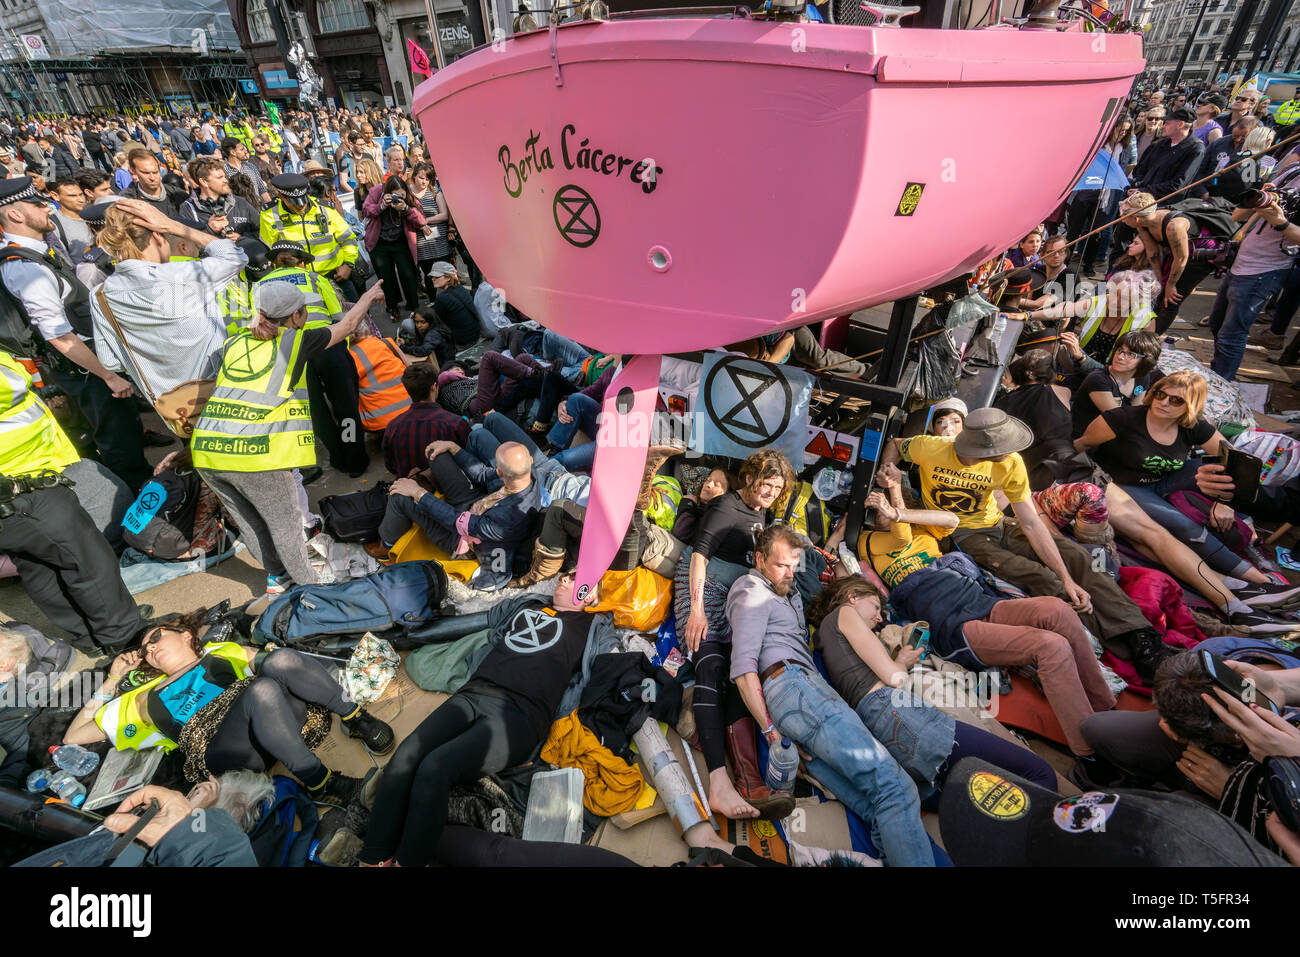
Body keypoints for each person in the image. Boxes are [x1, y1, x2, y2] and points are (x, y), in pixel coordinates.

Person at [880, 408, 1170, 677]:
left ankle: (1141, 636)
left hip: (999, 524)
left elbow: (1030, 521)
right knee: (1038, 576)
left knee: (1076, 556)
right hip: (960, 535)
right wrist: (888, 469)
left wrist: (1068, 576)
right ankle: (1118, 645)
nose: (1010, 452)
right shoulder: (931, 448)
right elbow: (895, 443)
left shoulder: (1011, 463)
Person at [863, 472, 1117, 767]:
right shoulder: (867, 541)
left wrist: (898, 509)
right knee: (1050, 646)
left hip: (976, 599)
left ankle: (1106, 712)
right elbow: (892, 539)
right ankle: (1090, 756)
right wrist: (874, 508)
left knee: (1056, 610)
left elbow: (952, 521)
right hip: (951, 623)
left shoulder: (925, 529)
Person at [359, 578, 604, 866]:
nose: (565, 578)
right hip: (474, 692)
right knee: (404, 758)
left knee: (435, 768)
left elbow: (612, 649)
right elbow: (489, 615)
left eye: (576, 578)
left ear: (590, 596)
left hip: (520, 715)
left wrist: (600, 594)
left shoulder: (591, 628)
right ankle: (374, 858)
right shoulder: (530, 604)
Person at [729, 525, 935, 865]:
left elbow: (834, 577)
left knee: (876, 808)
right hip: (795, 688)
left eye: (794, 566)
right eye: (781, 565)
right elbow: (743, 669)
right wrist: (771, 732)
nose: (789, 573)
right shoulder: (751, 588)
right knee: (896, 790)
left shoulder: (787, 593)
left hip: (798, 701)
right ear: (759, 559)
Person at [62, 609, 392, 807]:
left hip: (277, 722)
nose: (150, 649)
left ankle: (355, 716)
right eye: (145, 650)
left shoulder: (222, 651)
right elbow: (73, 737)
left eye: (156, 637)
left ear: (186, 635)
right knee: (260, 689)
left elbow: (290, 668)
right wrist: (112, 679)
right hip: (225, 754)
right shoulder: (142, 699)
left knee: (278, 659)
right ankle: (321, 782)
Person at [191, 279, 386, 595]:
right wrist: (367, 295)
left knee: (252, 523)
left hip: (208, 451)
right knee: (287, 526)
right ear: (297, 316)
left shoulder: (234, 342)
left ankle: (276, 576)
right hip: (253, 453)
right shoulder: (296, 342)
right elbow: (349, 324)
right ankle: (312, 588)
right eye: (304, 311)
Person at [1075, 370, 1298, 632]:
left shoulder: (1192, 425)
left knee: (1205, 470)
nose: (1164, 402)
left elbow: (1235, 462)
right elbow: (1080, 446)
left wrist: (1225, 502)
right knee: (1180, 524)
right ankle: (1254, 581)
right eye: (1160, 394)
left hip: (1166, 480)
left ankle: (1259, 583)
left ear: (1190, 406)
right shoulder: (1120, 419)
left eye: (1176, 400)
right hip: (1125, 483)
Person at [807, 574, 1058, 800]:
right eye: (875, 606)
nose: (879, 617)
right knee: (1037, 773)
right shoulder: (844, 613)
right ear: (852, 597)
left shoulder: (823, 638)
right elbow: (895, 677)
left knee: (987, 795)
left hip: (884, 731)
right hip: (896, 712)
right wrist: (901, 661)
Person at [0, 176, 152, 492]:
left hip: (87, 363)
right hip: (84, 369)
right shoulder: (25, 267)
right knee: (119, 440)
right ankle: (139, 505)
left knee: (122, 433)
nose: (47, 208)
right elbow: (59, 336)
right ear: (15, 214)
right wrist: (107, 375)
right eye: (37, 204)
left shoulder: (34, 255)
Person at [673, 449, 794, 819]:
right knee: (710, 666)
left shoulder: (763, 512)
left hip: (736, 597)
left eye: (776, 487)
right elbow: (699, 556)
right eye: (765, 484)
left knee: (739, 670)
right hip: (704, 590)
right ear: (750, 479)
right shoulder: (726, 506)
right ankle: (719, 783)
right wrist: (695, 611)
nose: (770, 492)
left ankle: (750, 779)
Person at [0, 350, 146, 655]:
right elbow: (13, 380)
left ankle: (89, 637)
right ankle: (125, 637)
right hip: (25, 487)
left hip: (13, 499)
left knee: (38, 565)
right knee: (88, 561)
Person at [91, 199, 247, 396]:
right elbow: (235, 256)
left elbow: (110, 361)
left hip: (173, 411)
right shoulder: (182, 275)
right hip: (223, 394)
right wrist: (173, 225)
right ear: (157, 236)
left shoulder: (99, 295)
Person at [378, 422, 544, 590]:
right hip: (475, 504)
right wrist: (453, 448)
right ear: (530, 460)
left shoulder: (506, 520)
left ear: (501, 472)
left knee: (399, 497)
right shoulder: (527, 472)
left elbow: (456, 520)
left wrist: (418, 493)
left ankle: (386, 547)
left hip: (460, 538)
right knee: (436, 454)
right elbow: (484, 474)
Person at [1205, 172, 1300, 377]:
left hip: (1265, 271)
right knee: (1217, 324)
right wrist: (1261, 200)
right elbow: (1238, 214)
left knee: (1232, 335)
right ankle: (1216, 375)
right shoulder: (1292, 170)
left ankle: (1221, 385)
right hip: (1242, 261)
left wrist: (1281, 222)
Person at [259, 173, 359, 302]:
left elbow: (348, 238)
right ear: (281, 196)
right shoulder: (269, 215)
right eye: (295, 203)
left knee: (358, 317)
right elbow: (270, 253)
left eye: (303, 201)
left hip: (335, 277)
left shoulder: (324, 208)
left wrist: (348, 265)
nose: (301, 206)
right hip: (299, 283)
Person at [383, 360, 469, 478]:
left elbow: (391, 465)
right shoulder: (454, 423)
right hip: (452, 485)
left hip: (411, 487)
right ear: (434, 387)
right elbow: (469, 460)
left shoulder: (392, 427)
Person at [363, 174, 425, 318]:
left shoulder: (408, 196)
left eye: (401, 195)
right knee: (386, 277)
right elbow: (366, 211)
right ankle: (393, 307)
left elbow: (421, 220)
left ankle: (413, 305)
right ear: (387, 192)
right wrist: (381, 206)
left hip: (400, 242)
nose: (398, 198)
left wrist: (406, 209)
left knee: (408, 274)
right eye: (394, 195)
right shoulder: (376, 192)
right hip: (379, 243)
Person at [1129, 106, 1205, 202]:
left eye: (1168, 123)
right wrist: (1138, 185)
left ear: (1180, 124)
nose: (1163, 126)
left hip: (1162, 203)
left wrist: (1144, 191)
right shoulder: (1162, 143)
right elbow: (1142, 168)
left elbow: (1178, 184)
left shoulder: (1195, 148)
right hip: (1141, 195)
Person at [349, 321, 414, 434]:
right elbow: (410, 367)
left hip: (378, 423)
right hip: (411, 408)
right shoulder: (386, 343)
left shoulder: (348, 356)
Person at [178, 158, 259, 239]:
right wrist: (210, 230)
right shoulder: (188, 209)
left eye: (225, 176)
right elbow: (188, 245)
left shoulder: (240, 202)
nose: (226, 180)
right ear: (204, 182)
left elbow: (263, 231)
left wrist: (242, 238)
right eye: (220, 177)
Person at [410, 162, 451, 298]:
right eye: (421, 178)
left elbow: (444, 215)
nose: (424, 181)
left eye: (427, 179)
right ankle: (433, 300)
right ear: (414, 176)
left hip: (439, 240)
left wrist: (425, 221)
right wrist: (419, 224)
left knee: (445, 270)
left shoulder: (434, 191)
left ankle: (451, 296)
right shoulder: (408, 194)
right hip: (421, 242)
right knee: (428, 272)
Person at [428, 260, 481, 346]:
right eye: (432, 276)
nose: (433, 279)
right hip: (475, 335)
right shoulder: (460, 288)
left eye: (437, 276)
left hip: (460, 341)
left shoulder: (441, 298)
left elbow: (437, 320)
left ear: (448, 277)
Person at [117, 149, 179, 218]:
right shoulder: (128, 199)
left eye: (155, 172)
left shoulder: (177, 194)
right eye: (146, 173)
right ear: (133, 171)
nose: (152, 178)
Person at [48, 177, 94, 261]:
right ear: (55, 196)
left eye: (81, 194)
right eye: (72, 196)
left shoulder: (94, 214)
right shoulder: (53, 225)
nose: (81, 200)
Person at [221, 136, 270, 206]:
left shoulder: (251, 167)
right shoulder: (223, 171)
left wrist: (271, 208)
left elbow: (262, 190)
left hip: (258, 208)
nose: (246, 151)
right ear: (233, 152)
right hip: (239, 212)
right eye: (242, 149)